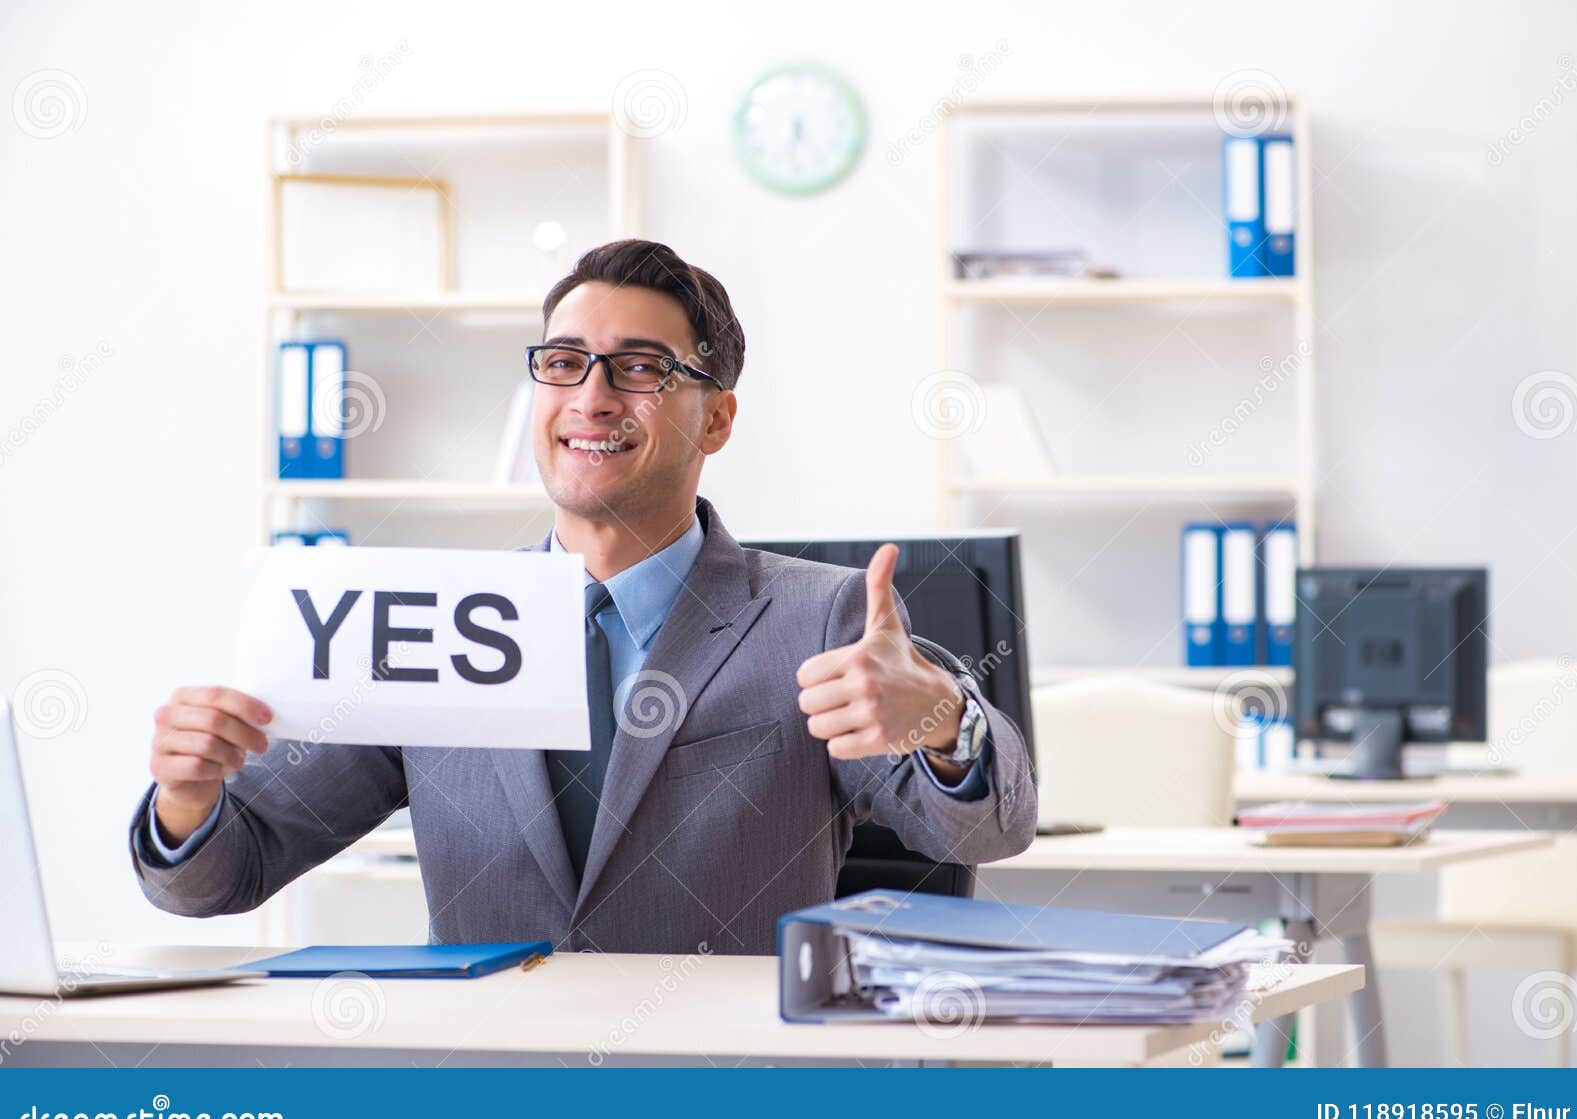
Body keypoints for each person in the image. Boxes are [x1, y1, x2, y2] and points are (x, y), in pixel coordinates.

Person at [131, 239, 1037, 954]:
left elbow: (990, 830)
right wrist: (186, 797)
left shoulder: (823, 618)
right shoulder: (425, 620)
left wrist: (942, 720)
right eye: (563, 362)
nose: (592, 397)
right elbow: (219, 874)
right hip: (492, 1096)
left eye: (641, 369)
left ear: (716, 417)